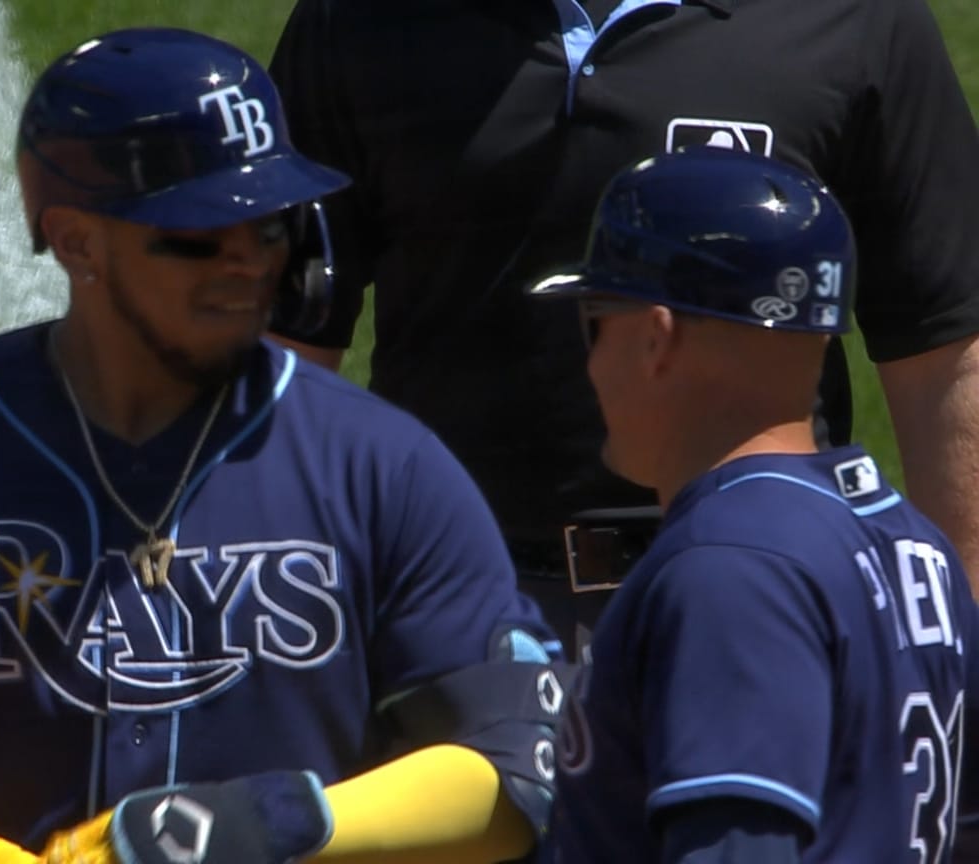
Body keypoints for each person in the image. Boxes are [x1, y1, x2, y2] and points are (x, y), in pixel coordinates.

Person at [0, 27, 567, 864]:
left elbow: (513, 771)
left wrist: (273, 824)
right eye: (196, 239)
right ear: (77, 240)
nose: (248, 264)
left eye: (271, 229)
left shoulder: (382, 465)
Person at [267, 0, 979, 657]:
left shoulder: (852, 16)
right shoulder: (358, 20)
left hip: (751, 589)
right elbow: (279, 362)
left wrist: (965, 661)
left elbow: (947, 355)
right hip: (441, 600)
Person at [530, 147, 979, 862]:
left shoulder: (728, 570)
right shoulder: (913, 544)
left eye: (593, 321)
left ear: (655, 336)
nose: (587, 362)